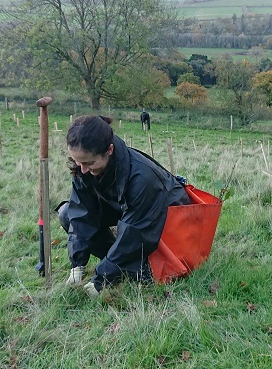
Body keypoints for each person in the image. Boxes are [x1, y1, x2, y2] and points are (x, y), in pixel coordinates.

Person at [58, 115, 190, 298]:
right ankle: (119, 262)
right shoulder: (84, 166)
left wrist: (101, 280)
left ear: (109, 150)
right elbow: (82, 212)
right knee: (67, 213)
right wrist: (77, 264)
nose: (82, 170)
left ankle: (132, 265)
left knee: (140, 265)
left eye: (88, 163)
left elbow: (135, 233)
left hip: (167, 221)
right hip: (126, 210)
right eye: (78, 162)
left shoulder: (143, 178)